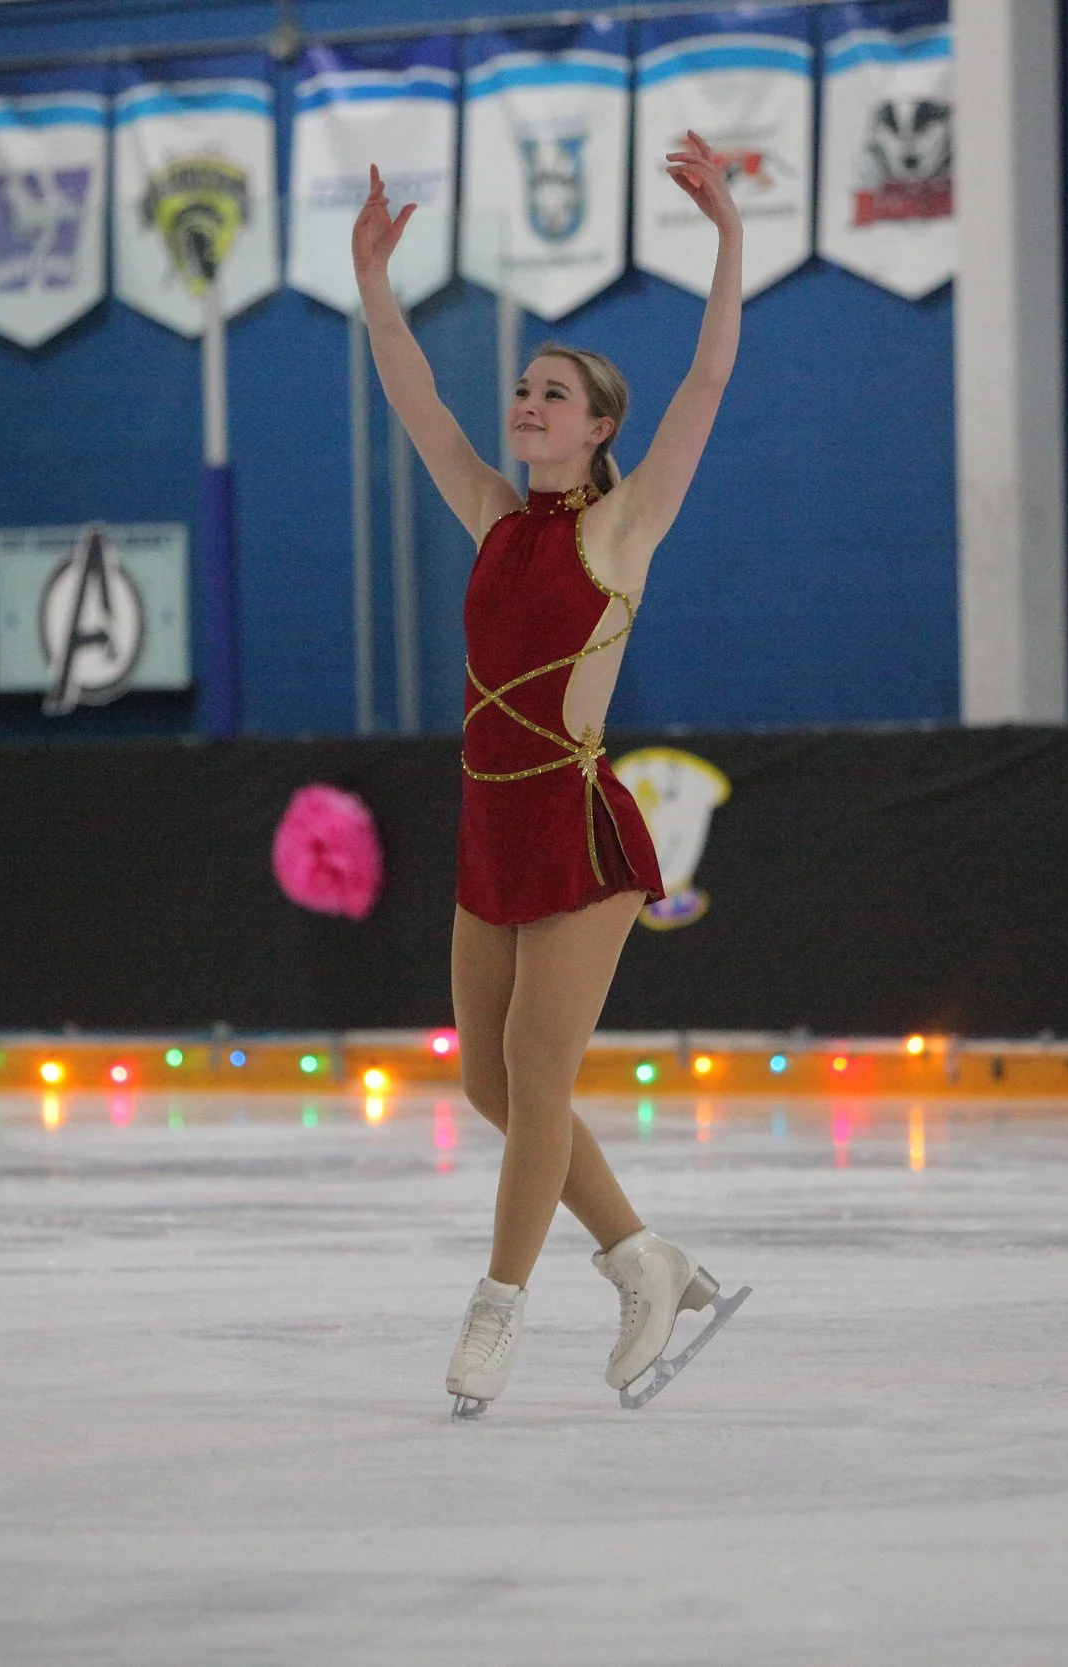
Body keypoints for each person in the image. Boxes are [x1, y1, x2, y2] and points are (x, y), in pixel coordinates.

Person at [350, 135, 747, 1416]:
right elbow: (411, 387)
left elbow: (708, 377)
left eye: (552, 395)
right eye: (522, 388)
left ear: (599, 428)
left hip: (577, 824)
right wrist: (374, 282)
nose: (526, 404)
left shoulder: (623, 526)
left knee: (535, 1064)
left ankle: (497, 1311)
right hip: (488, 823)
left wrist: (729, 239)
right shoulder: (489, 513)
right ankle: (642, 1258)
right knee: (486, 1077)